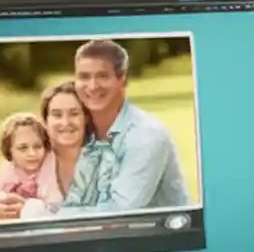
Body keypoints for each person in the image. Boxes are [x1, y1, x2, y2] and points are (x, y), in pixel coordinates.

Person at [61, 39, 189, 212]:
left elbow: (119, 213)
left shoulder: (146, 135)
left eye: (102, 76)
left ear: (122, 79)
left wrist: (45, 216)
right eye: (84, 77)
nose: (92, 86)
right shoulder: (81, 130)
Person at [0, 81, 92, 220]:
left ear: (87, 118)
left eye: (74, 113)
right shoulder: (27, 162)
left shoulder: (104, 160)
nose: (65, 122)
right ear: (46, 120)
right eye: (57, 115)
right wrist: (6, 207)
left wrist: (30, 210)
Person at [0, 112, 56, 219]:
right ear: (10, 151)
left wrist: (27, 207)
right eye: (23, 148)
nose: (32, 154)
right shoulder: (9, 171)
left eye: (37, 146)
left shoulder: (53, 170)